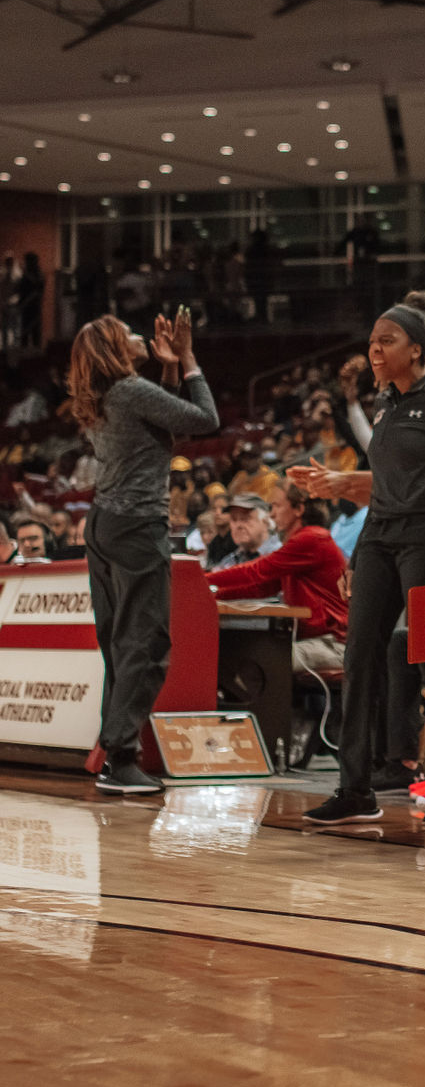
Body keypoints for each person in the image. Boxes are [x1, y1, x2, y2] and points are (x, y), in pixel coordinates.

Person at [296, 303, 425, 825]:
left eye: (387, 340)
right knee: (359, 657)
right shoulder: (387, 401)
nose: (375, 350)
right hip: (381, 539)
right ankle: (354, 789)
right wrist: (359, 555)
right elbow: (383, 491)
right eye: (372, 342)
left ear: (417, 349)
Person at [68, 308, 218, 794]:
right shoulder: (130, 390)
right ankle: (121, 757)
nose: (138, 336)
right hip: (135, 526)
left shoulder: (106, 396)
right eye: (128, 333)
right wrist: (189, 360)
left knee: (119, 643)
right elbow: (205, 419)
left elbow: (162, 423)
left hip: (104, 523)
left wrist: (169, 368)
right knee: (147, 644)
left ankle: (114, 754)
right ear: (115, 349)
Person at [205, 483, 348, 673]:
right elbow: (262, 587)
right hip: (315, 641)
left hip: (332, 644)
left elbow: (256, 571)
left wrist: (201, 579)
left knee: (258, 661)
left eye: (276, 506)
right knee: (245, 654)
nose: (271, 515)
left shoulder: (313, 538)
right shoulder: (302, 540)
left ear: (299, 509)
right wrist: (211, 594)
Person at [208, 493, 281, 570]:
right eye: (234, 519)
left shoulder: (281, 556)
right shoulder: (230, 561)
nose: (238, 525)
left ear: (265, 522)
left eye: (246, 519)